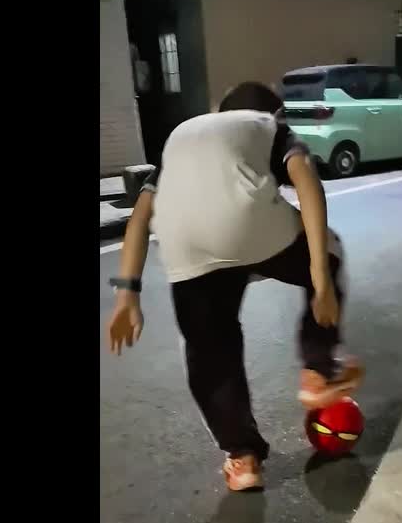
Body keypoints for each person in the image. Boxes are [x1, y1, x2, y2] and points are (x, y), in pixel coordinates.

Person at [106, 82, 363, 491]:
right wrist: (319, 275)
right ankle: (318, 369)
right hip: (254, 226)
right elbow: (306, 181)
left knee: (211, 352)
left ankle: (243, 459)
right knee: (329, 249)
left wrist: (127, 294)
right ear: (274, 113)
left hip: (186, 246)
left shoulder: (182, 139)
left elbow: (139, 218)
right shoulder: (269, 125)